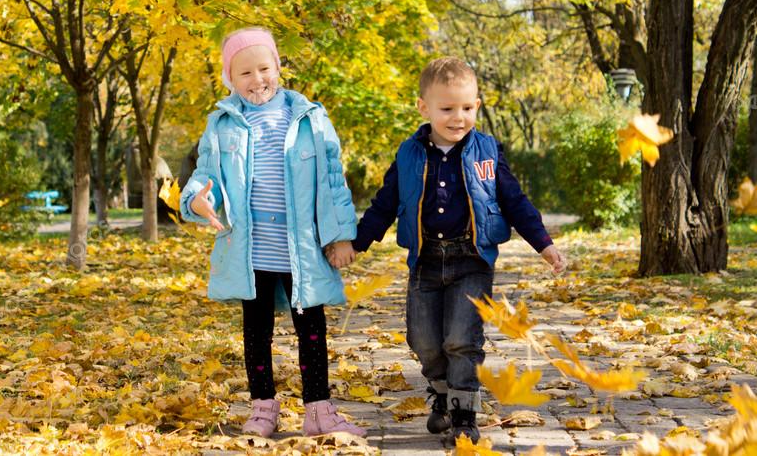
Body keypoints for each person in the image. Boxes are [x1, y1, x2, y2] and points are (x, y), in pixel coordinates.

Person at [326, 56, 567, 445]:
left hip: (472, 261)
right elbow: (385, 204)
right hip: (425, 262)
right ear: (424, 108)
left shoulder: (487, 152)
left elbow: (515, 201)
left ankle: (463, 412)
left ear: (478, 105)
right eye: (448, 108)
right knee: (422, 339)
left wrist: (544, 245)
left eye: (468, 108)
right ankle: (440, 391)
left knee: (461, 338)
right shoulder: (409, 155)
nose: (459, 117)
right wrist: (356, 243)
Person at [179, 27, 366, 439]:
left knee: (312, 331)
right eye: (244, 72)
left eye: (264, 68)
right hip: (253, 251)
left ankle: (319, 409)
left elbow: (332, 181)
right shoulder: (223, 123)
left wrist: (340, 237)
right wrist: (196, 200)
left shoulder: (308, 118)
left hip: (300, 250)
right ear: (230, 77)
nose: (256, 79)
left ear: (278, 67)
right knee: (256, 331)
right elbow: (204, 175)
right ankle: (262, 407)